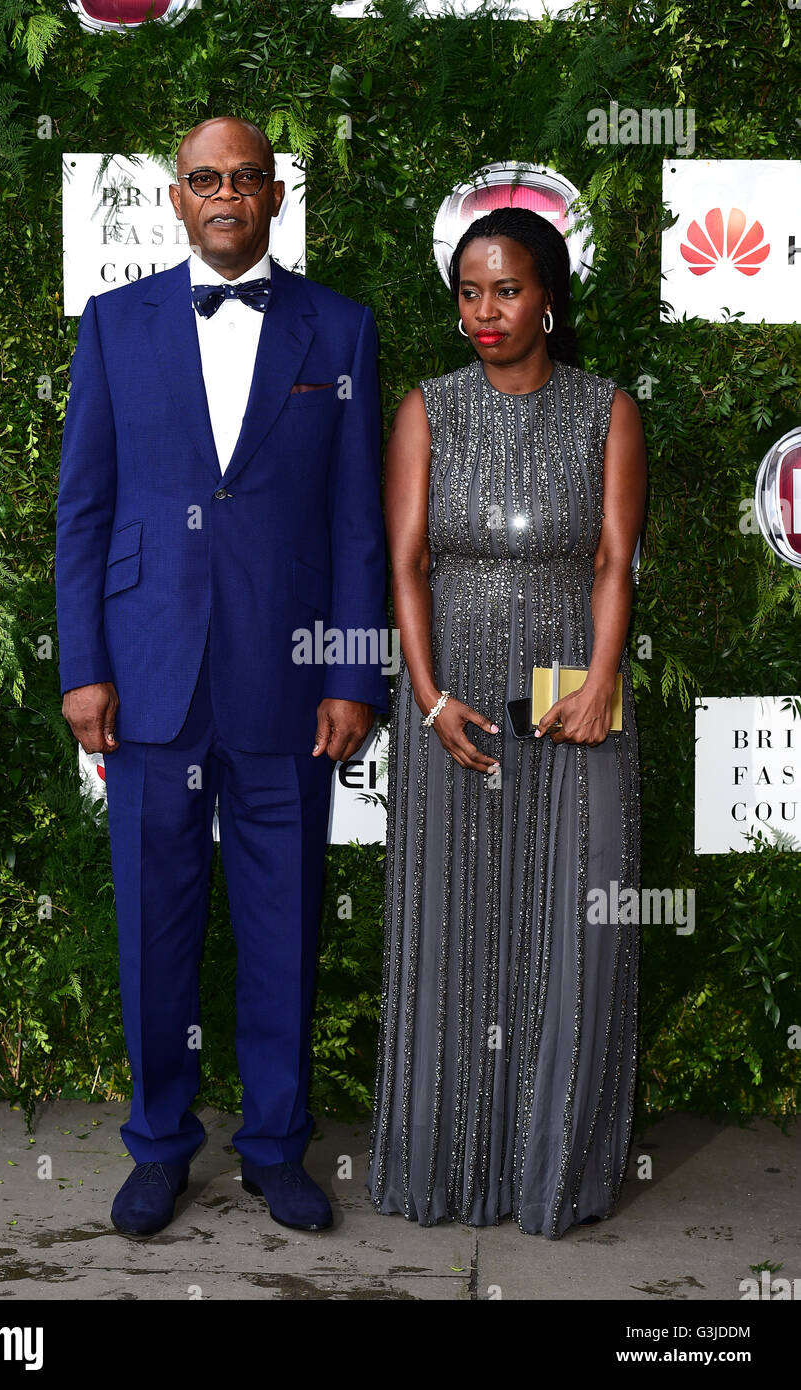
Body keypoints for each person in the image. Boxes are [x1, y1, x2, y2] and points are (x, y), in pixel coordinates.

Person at [56, 116, 388, 1237]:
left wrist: (353, 672)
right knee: (154, 926)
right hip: (146, 674)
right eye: (206, 179)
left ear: (277, 194)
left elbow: (357, 523)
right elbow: (84, 514)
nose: (227, 194)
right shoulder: (113, 325)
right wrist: (84, 665)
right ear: (176, 199)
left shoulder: (340, 329)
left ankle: (276, 1147)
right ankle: (158, 1145)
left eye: (247, 177)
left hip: (288, 682)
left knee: (284, 920)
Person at [367, 206, 647, 1238]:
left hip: (575, 684)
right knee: (458, 925)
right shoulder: (426, 409)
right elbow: (404, 563)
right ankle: (446, 1165)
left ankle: (550, 1176)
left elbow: (615, 559)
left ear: (549, 297)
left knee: (572, 929)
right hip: (457, 698)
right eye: (471, 293)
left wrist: (601, 682)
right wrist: (430, 694)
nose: (488, 312)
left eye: (509, 290)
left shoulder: (606, 409)